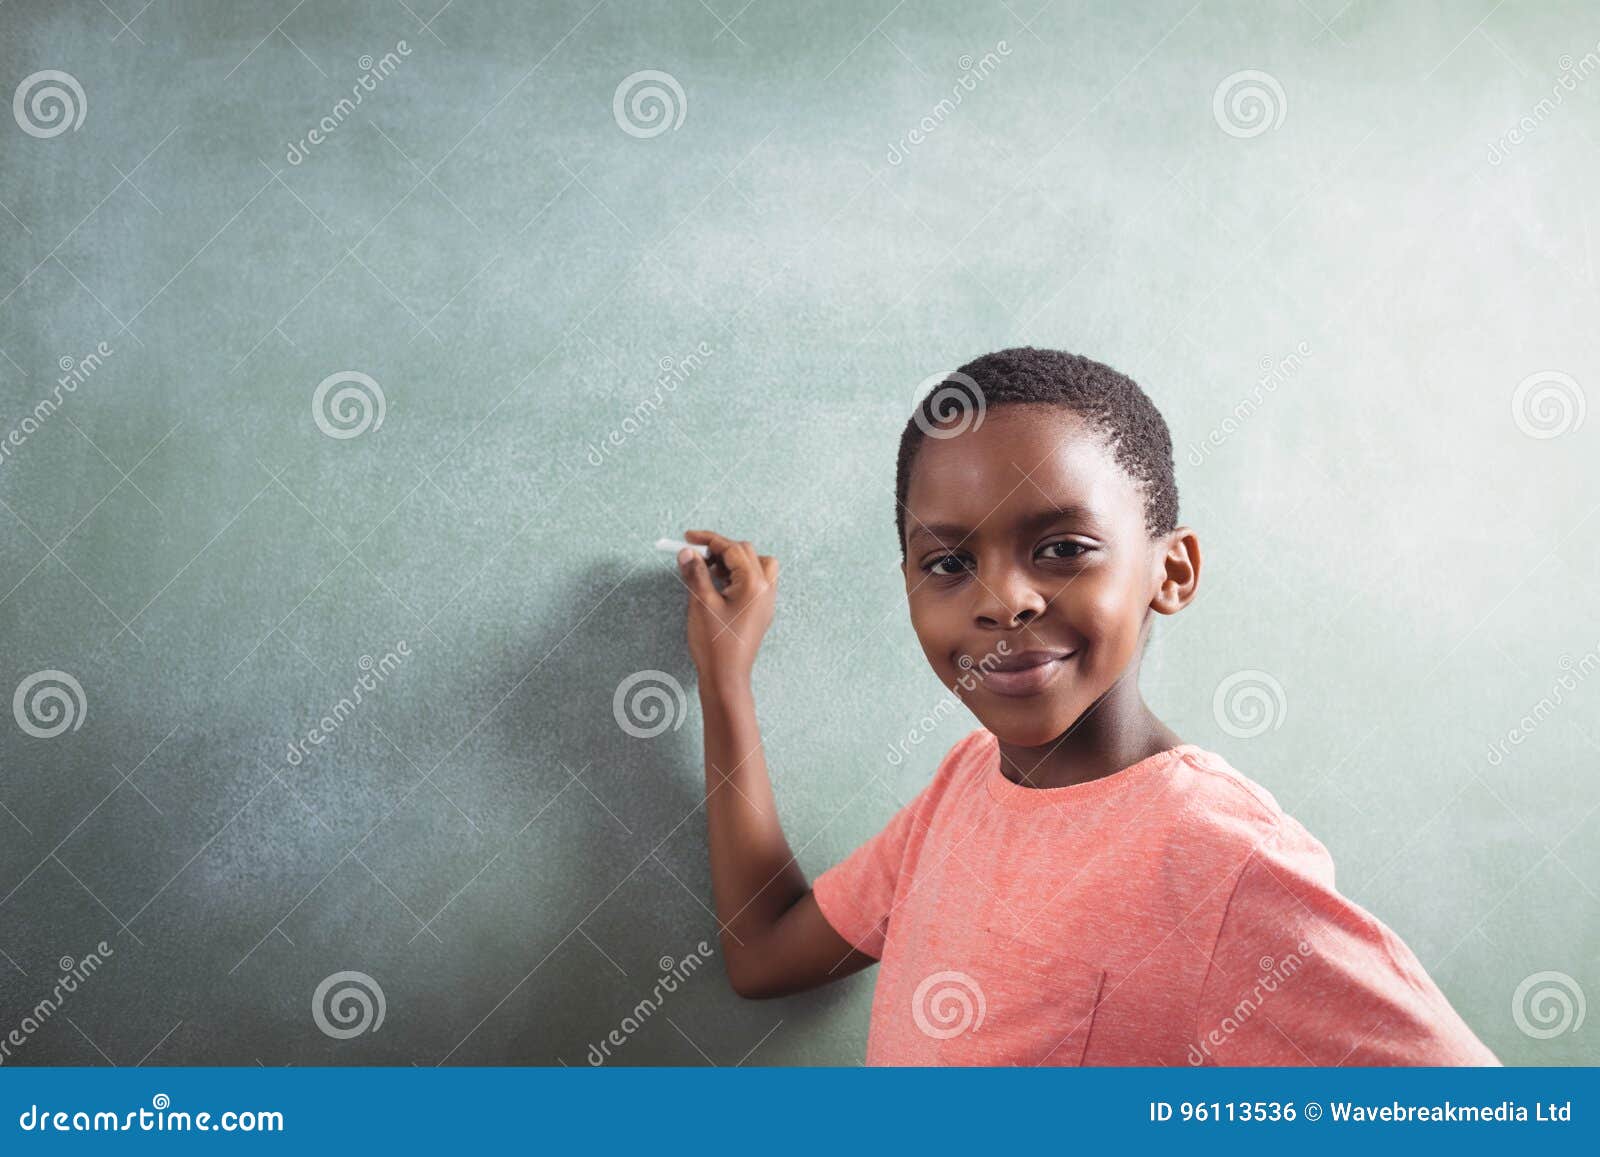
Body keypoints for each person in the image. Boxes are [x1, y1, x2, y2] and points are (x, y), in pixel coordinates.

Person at [674, 346, 1498, 1066]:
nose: (1003, 600)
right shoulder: (962, 788)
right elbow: (765, 950)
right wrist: (725, 678)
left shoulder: (1220, 861)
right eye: (950, 562)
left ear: (1170, 572)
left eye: (1063, 548)